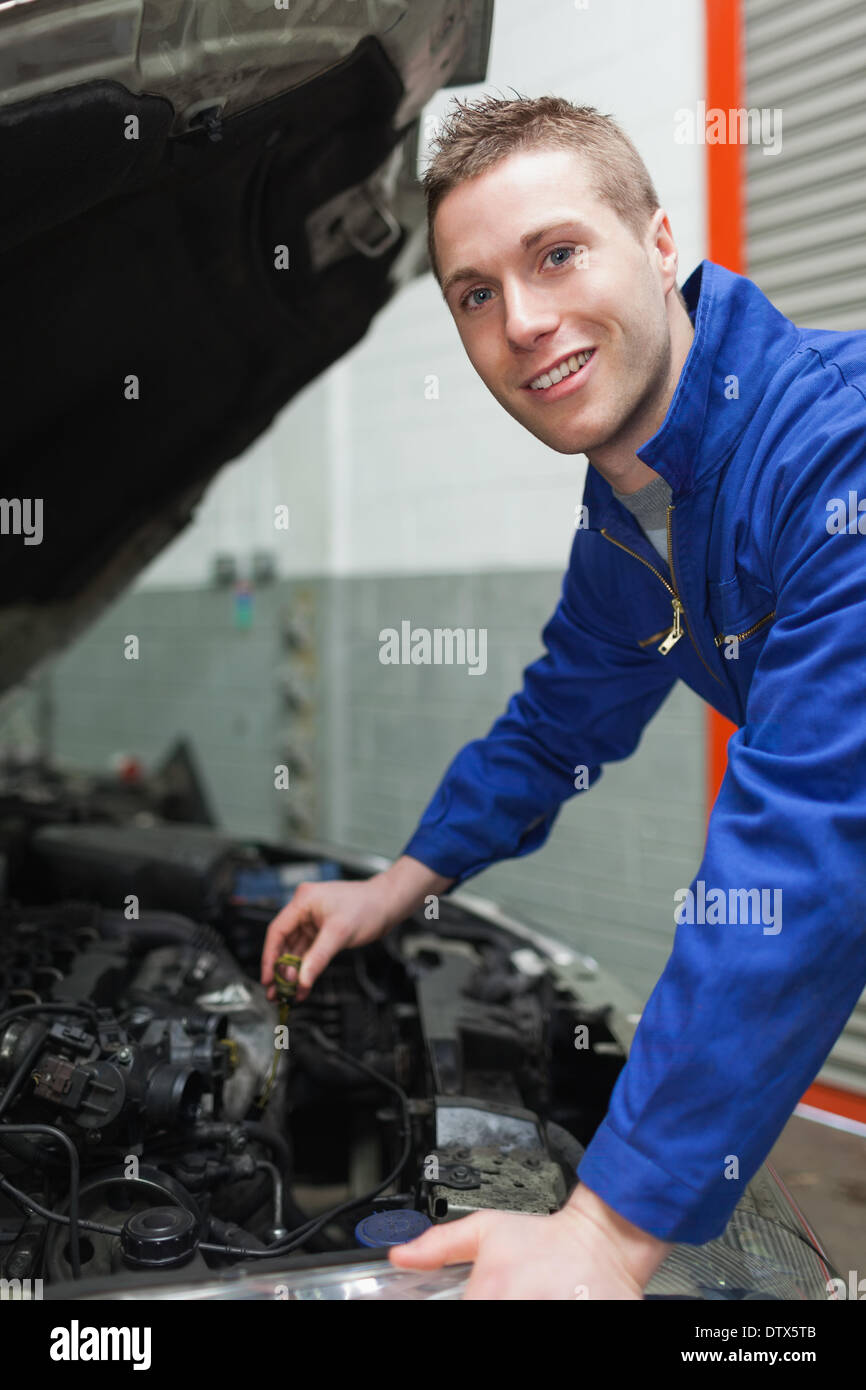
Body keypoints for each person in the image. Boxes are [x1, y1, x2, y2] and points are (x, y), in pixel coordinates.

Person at [260, 95, 866, 1299]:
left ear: (656, 245)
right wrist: (396, 885)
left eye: (555, 254)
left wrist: (605, 1232)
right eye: (475, 293)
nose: (523, 323)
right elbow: (552, 727)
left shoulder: (829, 455)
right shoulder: (629, 523)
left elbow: (803, 851)